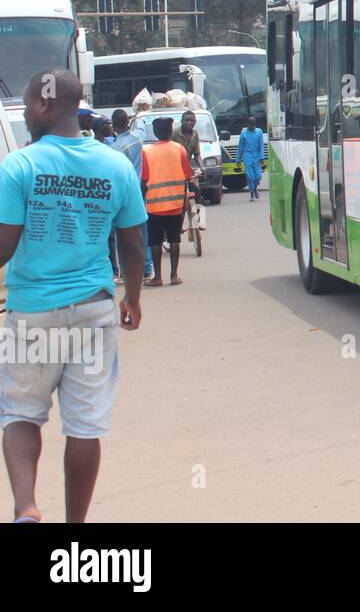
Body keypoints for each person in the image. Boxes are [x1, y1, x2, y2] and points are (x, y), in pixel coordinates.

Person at [0, 69, 146, 523]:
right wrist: (134, 298)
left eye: (26, 106)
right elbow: (133, 242)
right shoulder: (115, 165)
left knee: (20, 412)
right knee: (85, 426)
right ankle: (75, 529)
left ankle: (26, 508)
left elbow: (3, 247)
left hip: (31, 313)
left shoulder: (18, 167)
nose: (24, 115)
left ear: (45, 106)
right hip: (94, 310)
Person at [141, 116, 193, 287]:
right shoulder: (180, 149)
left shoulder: (147, 152)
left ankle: (157, 278)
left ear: (155, 132)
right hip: (176, 205)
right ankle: (174, 275)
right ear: (171, 131)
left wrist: (142, 200)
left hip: (154, 206)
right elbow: (187, 175)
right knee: (175, 239)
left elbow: (144, 179)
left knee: (155, 242)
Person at [109, 110, 154, 283]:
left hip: (123, 194)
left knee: (123, 236)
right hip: (139, 190)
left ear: (113, 125)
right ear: (127, 123)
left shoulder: (116, 148)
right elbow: (142, 129)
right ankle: (148, 269)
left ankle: (127, 273)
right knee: (143, 234)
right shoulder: (137, 139)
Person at [237, 116, 265, 201]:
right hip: (247, 155)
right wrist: (238, 159)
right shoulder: (244, 133)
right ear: (248, 125)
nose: (252, 126)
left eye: (253, 125)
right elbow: (240, 147)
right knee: (250, 176)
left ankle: (255, 187)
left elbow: (261, 145)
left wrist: (262, 157)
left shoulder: (259, 132)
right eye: (250, 125)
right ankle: (252, 194)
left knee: (258, 176)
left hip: (256, 155)